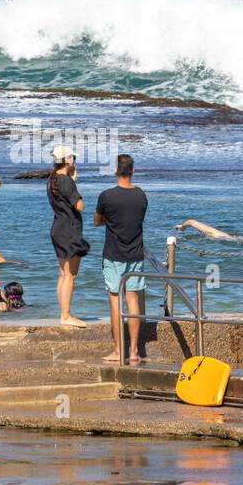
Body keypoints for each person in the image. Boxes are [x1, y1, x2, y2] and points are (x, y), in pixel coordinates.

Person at [95, 153, 147, 364]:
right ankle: (134, 351)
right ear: (133, 170)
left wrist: (110, 218)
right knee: (133, 299)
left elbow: (97, 221)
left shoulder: (107, 196)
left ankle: (118, 351)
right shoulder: (141, 195)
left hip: (114, 253)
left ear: (115, 171)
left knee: (115, 300)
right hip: (135, 253)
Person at [47, 145, 89, 327]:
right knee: (70, 275)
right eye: (74, 159)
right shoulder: (66, 181)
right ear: (68, 161)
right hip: (69, 230)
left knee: (62, 274)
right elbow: (80, 206)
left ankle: (63, 313)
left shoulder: (52, 180)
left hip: (58, 228)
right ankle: (66, 316)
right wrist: (74, 182)